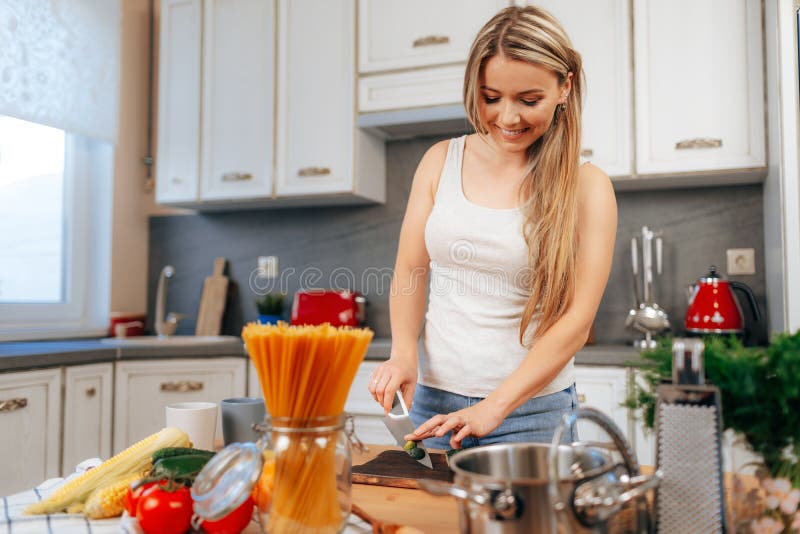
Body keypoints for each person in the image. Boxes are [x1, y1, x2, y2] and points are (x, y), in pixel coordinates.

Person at [368, 5, 617, 451]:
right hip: (434, 408)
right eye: (491, 97)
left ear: (565, 87)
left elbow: (577, 322)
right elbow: (410, 270)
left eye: (528, 100)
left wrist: (494, 406)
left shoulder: (587, 187)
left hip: (534, 414)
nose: (507, 118)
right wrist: (403, 352)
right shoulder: (440, 161)